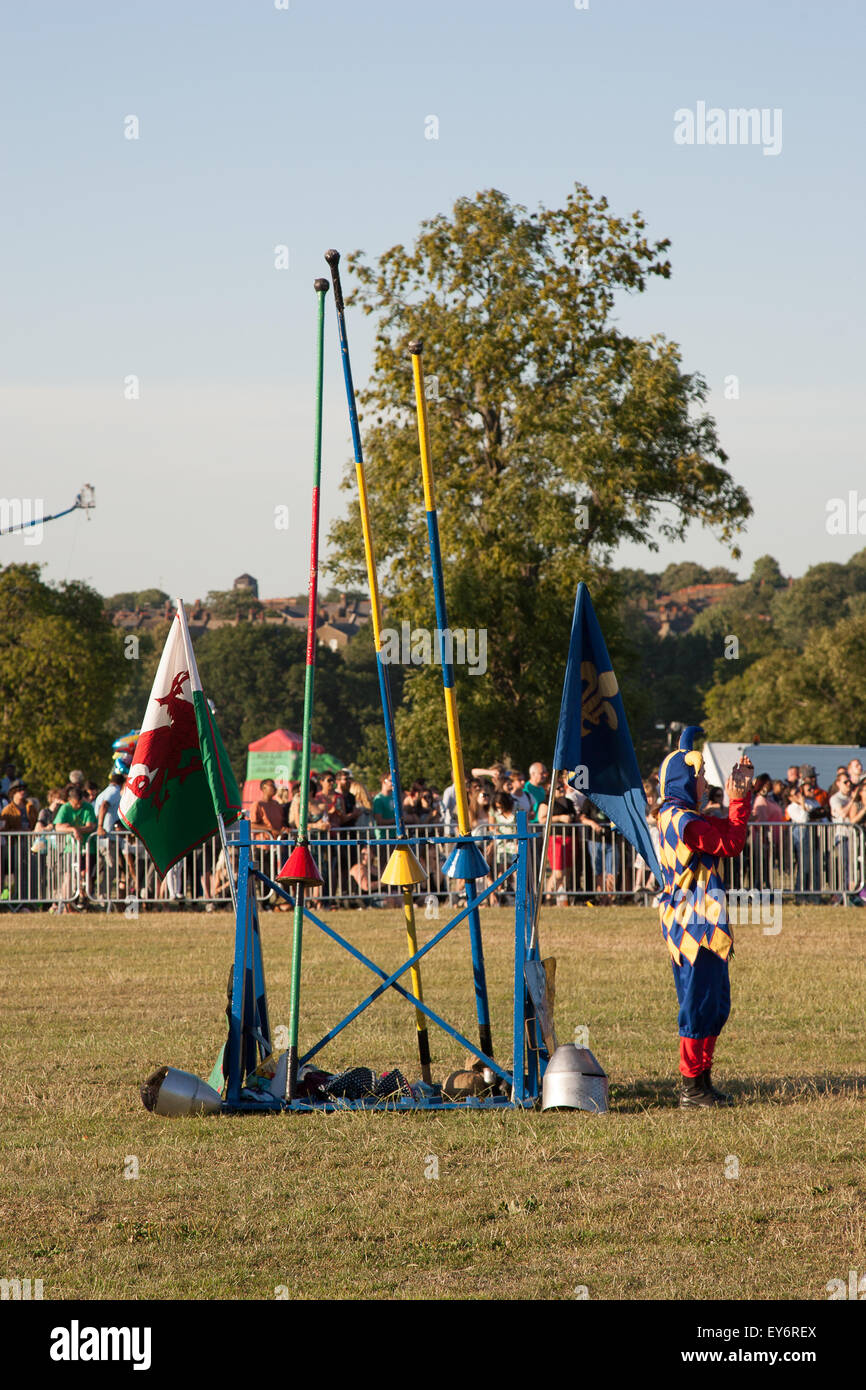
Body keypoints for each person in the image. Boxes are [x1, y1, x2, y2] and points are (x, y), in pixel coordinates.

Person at [656, 726, 753, 1108]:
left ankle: (702, 1083)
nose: (705, 782)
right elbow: (731, 842)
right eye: (700, 776)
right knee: (699, 1005)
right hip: (693, 924)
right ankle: (692, 1089)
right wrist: (736, 800)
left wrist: (740, 798)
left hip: (701, 921)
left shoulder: (683, 815)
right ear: (683, 780)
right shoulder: (683, 821)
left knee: (713, 1002)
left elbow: (732, 833)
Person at [53, 783, 97, 908]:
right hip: (70, 848)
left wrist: (74, 829)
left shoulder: (87, 807)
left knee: (86, 875)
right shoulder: (65, 808)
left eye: (80, 802)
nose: (78, 805)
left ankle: (84, 900)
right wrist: (73, 830)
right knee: (69, 875)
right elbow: (58, 827)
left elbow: (91, 826)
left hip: (88, 848)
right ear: (69, 800)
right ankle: (65, 904)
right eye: (75, 803)